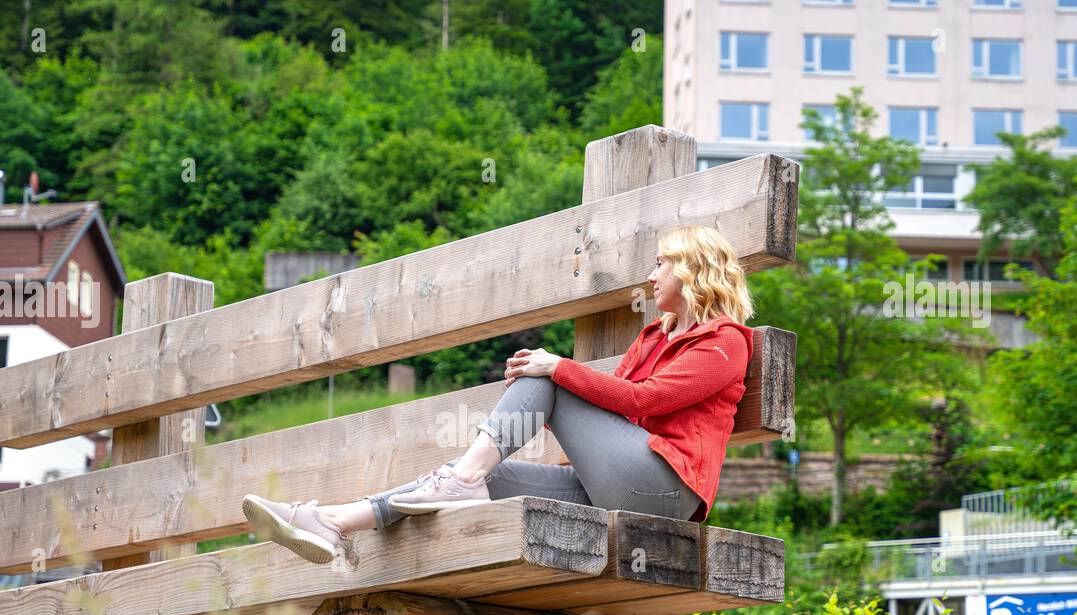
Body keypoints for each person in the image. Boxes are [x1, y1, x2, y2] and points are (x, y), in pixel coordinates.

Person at [242, 224, 755, 565]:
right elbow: (609, 405)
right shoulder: (652, 336)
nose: (651, 274)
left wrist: (557, 372)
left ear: (693, 269)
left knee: (542, 376)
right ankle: (334, 522)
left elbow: (642, 402)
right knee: (491, 473)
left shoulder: (725, 341)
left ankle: (460, 478)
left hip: (665, 492)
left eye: (662, 263)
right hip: (615, 482)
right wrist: (557, 409)